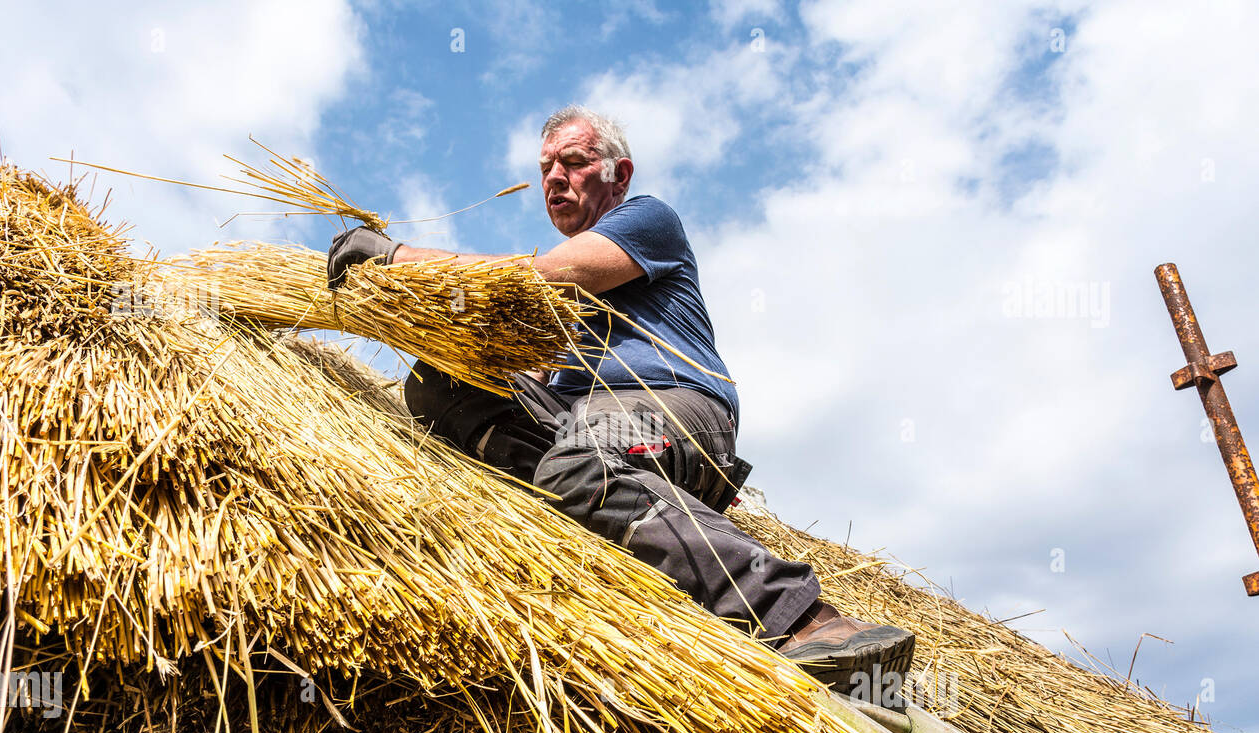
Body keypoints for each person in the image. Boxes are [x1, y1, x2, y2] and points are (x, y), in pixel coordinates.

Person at [327, 105, 914, 691]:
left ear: (619, 174)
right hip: (582, 421)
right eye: (545, 167)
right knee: (443, 382)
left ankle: (803, 619)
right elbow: (492, 326)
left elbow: (539, 278)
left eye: (575, 162)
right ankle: (565, 502)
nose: (554, 177)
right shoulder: (549, 315)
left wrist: (396, 256)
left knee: (582, 457)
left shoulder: (647, 220)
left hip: (676, 411)